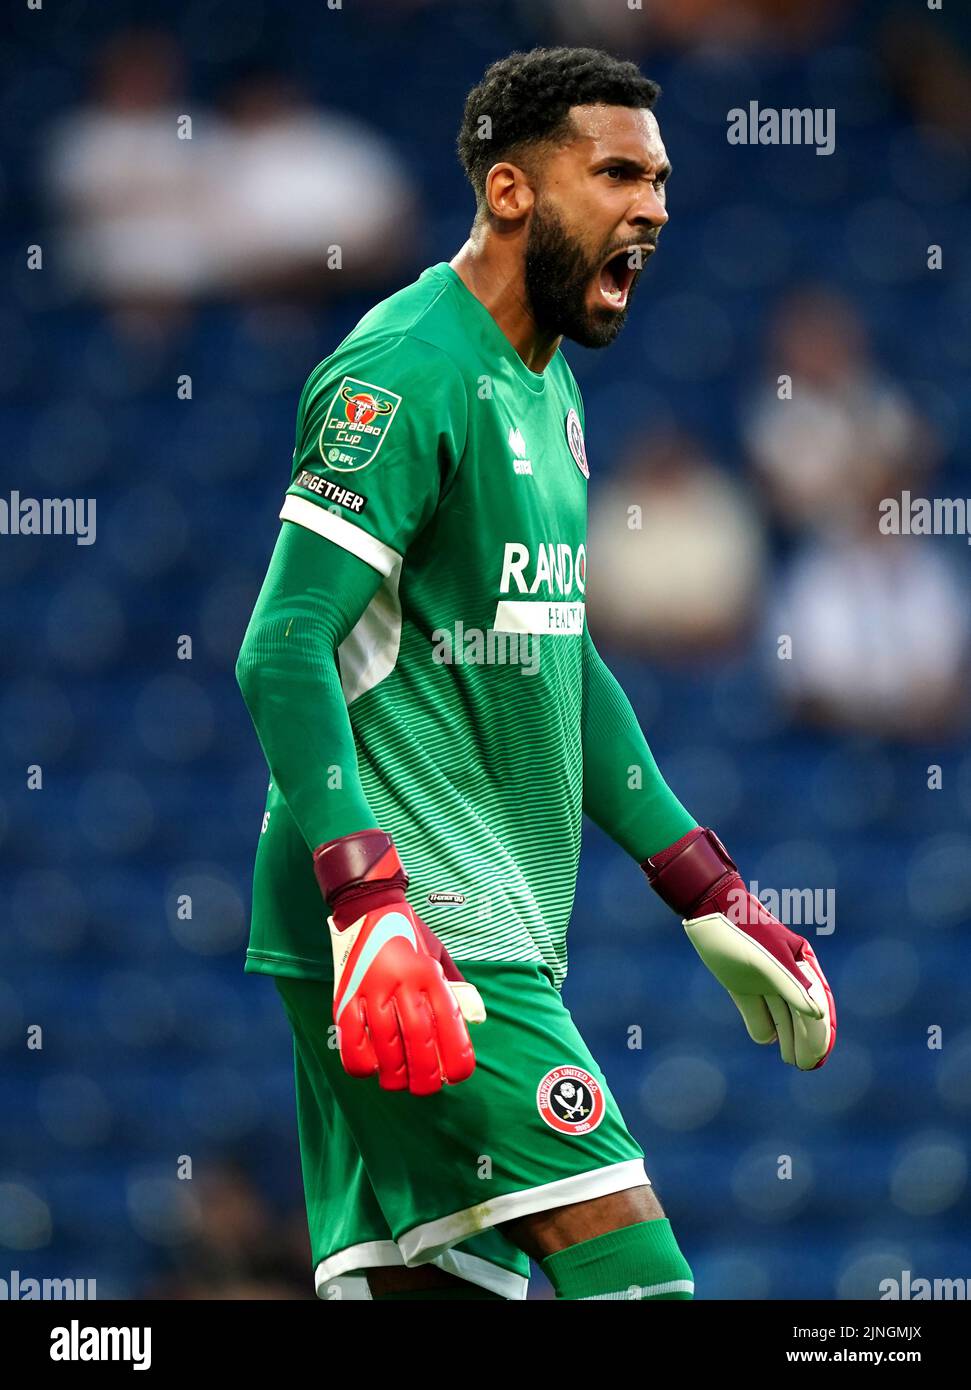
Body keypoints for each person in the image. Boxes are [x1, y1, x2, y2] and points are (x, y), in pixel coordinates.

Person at [236, 46, 836, 1303]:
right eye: (616, 171)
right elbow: (280, 642)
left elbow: (555, 654)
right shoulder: (404, 368)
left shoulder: (549, 389)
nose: (654, 206)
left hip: (464, 917)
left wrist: (704, 885)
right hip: (416, 919)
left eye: (660, 180)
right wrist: (368, 902)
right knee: (640, 1280)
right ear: (509, 190)